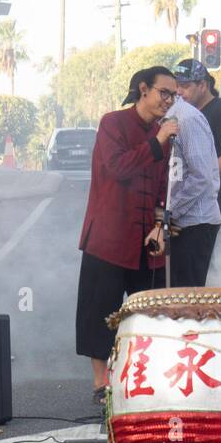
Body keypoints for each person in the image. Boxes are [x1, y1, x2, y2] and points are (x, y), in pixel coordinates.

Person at [76, 66, 175, 414]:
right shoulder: (113, 123)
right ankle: (100, 383)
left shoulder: (162, 133)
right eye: (164, 93)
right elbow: (118, 168)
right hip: (109, 234)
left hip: (145, 236)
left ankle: (138, 378)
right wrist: (157, 142)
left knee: (146, 312)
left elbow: (163, 186)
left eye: (173, 95)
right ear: (143, 90)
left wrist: (161, 225)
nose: (169, 101)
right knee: (100, 310)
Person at [161, 94, 221, 288]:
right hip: (177, 218)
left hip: (194, 221)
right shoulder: (165, 119)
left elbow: (201, 176)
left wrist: (171, 212)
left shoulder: (187, 120)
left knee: (186, 295)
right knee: (171, 292)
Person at [173, 59, 221, 218]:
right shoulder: (180, 112)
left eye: (185, 86)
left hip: (206, 205)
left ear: (202, 85)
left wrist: (197, 177)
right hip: (179, 200)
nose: (178, 92)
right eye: (176, 86)